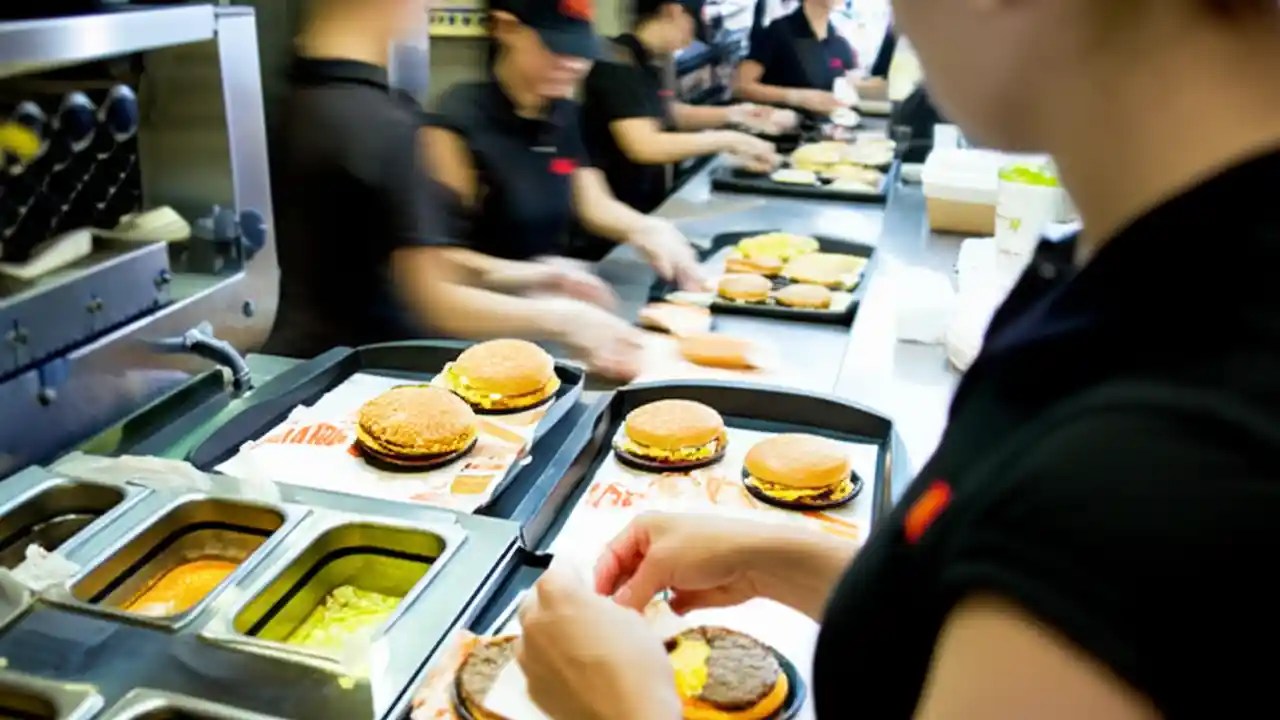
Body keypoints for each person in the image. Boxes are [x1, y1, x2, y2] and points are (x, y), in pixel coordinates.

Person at [516, 0, 1280, 717]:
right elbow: (982, 605)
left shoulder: (1168, 447)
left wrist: (622, 705)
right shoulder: (1136, 281)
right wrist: (788, 560)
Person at [265, 0, 644, 379]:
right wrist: (569, 320)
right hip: (360, 379)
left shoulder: (301, 96)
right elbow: (435, 295)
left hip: (308, 365)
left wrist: (536, 276)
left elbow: (407, 252)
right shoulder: (385, 123)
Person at [423, 0, 705, 291]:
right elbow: (438, 259)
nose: (573, 64)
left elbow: (593, 202)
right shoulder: (454, 122)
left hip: (542, 299)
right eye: (556, 48)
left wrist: (647, 228)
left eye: (581, 52)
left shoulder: (562, 113)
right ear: (505, 28)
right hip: (476, 309)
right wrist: (538, 276)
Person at [579, 0, 787, 215]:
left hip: (651, 199)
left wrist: (738, 115)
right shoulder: (617, 63)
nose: (694, 36)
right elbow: (644, 145)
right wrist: (729, 140)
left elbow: (665, 112)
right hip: (618, 208)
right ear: (673, 11)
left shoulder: (650, 60)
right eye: (694, 21)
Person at [733, 0, 857, 116]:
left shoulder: (840, 44)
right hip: (778, 130)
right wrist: (794, 97)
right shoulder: (778, 31)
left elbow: (848, 85)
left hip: (827, 131)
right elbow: (742, 86)